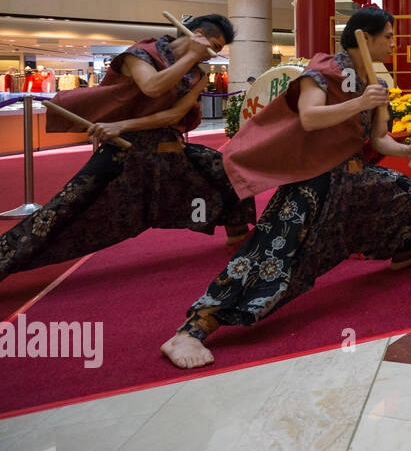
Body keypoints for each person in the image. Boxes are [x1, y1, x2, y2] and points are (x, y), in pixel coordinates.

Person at [162, 6, 411, 369]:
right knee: (274, 255)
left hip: (353, 176)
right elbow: (309, 117)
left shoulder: (376, 83)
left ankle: (402, 255)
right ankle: (192, 329)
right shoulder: (322, 72)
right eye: (388, 36)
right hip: (315, 180)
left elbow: (379, 139)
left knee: (406, 192)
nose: (393, 44)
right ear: (364, 38)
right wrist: (360, 101)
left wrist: (408, 149)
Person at [0, 16, 255, 285]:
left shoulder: (197, 75)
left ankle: (238, 235)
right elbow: (153, 87)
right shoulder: (140, 54)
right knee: (60, 214)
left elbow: (175, 114)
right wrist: (190, 55)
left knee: (229, 170)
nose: (214, 54)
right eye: (214, 45)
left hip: (170, 152)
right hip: (126, 154)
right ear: (198, 35)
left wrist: (122, 124)